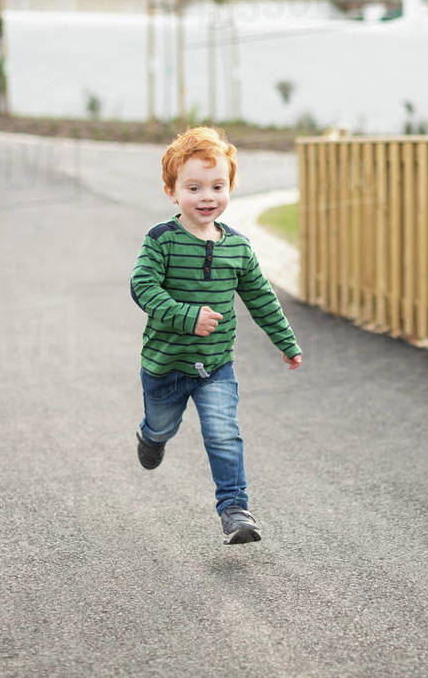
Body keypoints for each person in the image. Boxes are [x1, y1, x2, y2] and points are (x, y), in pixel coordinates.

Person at [129, 127, 302, 545]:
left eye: (217, 186)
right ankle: (151, 437)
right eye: (193, 187)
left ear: (230, 188)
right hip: (166, 365)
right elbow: (142, 288)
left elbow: (261, 297)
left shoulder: (238, 247)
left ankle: (235, 509)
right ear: (172, 191)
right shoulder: (161, 241)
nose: (207, 196)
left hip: (215, 367)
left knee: (223, 432)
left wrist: (286, 342)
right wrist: (186, 316)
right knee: (163, 425)